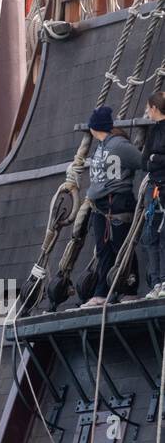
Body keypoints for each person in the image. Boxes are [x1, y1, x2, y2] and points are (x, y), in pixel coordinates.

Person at [82, 105, 143, 307]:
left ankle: (129, 290)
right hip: (101, 206)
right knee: (103, 249)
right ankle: (102, 292)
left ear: (95, 127)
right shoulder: (101, 145)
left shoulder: (118, 146)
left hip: (116, 202)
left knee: (122, 247)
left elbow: (141, 162)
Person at [141, 92, 165, 298]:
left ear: (155, 108)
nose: (147, 111)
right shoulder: (154, 131)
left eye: (149, 107)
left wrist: (155, 158)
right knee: (150, 236)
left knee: (163, 234)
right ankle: (156, 282)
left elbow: (151, 158)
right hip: (155, 188)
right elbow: (143, 161)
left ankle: (164, 281)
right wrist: (156, 159)